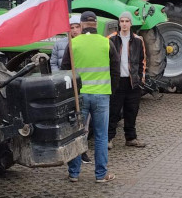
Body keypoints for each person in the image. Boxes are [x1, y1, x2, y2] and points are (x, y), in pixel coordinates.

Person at [60, 14, 118, 183]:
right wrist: (111, 91)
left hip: (80, 97)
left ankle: (74, 173)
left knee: (76, 135)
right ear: (96, 24)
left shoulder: (73, 43)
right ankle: (101, 174)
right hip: (102, 95)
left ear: (82, 25)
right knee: (101, 136)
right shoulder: (107, 43)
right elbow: (115, 70)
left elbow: (64, 70)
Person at [108, 12, 147, 148]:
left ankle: (131, 138)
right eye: (122, 21)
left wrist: (141, 79)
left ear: (131, 23)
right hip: (117, 82)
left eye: (127, 21)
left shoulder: (138, 40)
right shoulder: (111, 39)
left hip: (132, 82)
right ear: (119, 23)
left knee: (132, 111)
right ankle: (109, 138)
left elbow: (142, 61)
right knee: (113, 111)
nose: (124, 24)